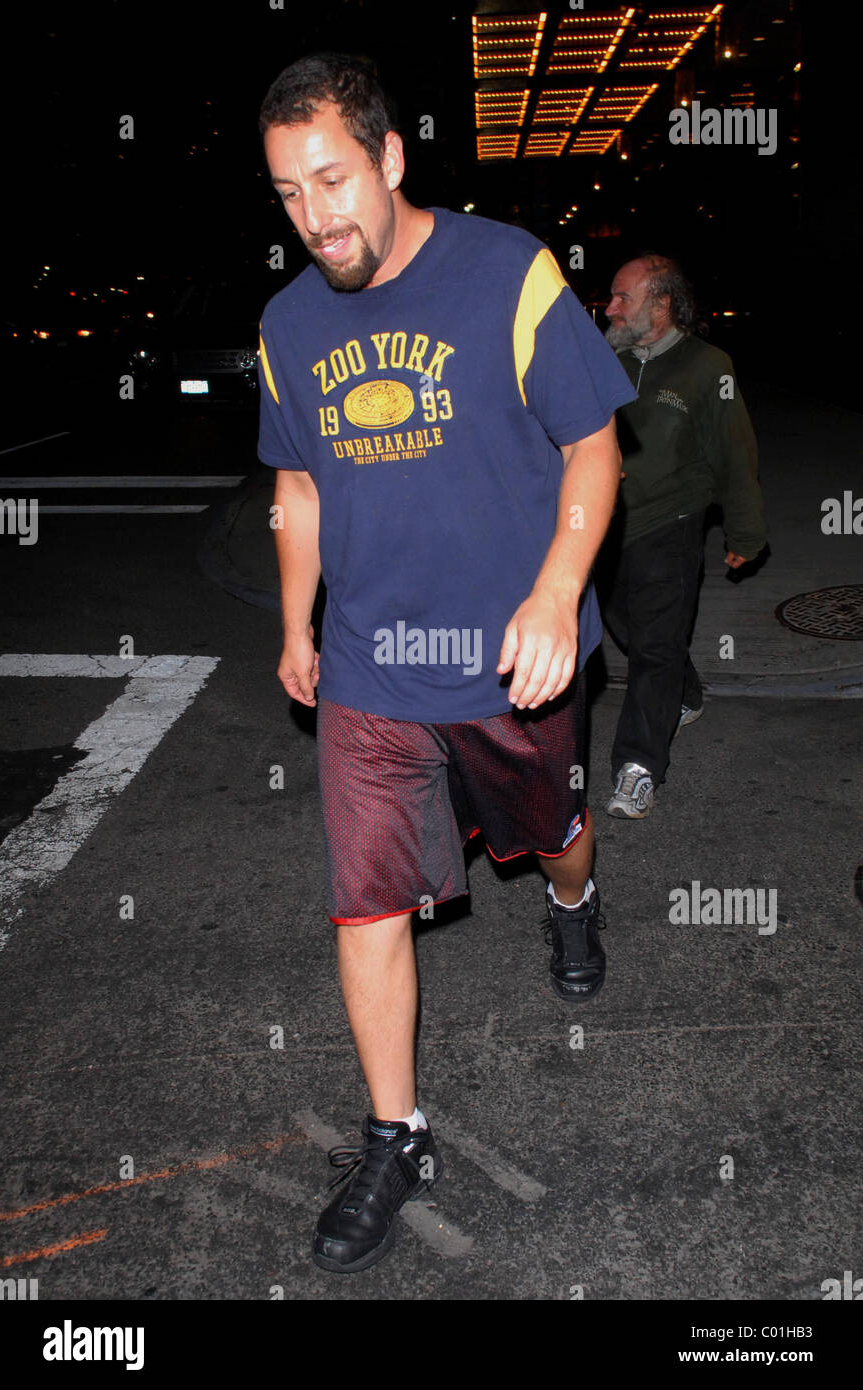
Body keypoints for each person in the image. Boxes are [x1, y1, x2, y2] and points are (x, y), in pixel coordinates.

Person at [255, 52, 636, 1274]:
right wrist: (296, 624)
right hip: (373, 671)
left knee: (553, 834)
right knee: (366, 903)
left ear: (392, 157)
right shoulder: (288, 322)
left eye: (333, 180)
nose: (318, 218)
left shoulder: (508, 273)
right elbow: (300, 486)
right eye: (289, 194)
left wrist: (555, 590)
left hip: (511, 664)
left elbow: (593, 447)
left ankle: (573, 904)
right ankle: (394, 1131)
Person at [599, 254, 767, 819]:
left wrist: (745, 529)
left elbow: (735, 453)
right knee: (627, 626)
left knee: (653, 644)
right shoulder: (606, 360)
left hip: (671, 522)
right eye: (612, 296)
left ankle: (638, 766)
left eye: (623, 298)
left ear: (663, 305)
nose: (611, 306)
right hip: (602, 522)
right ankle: (685, 693)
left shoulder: (706, 366)